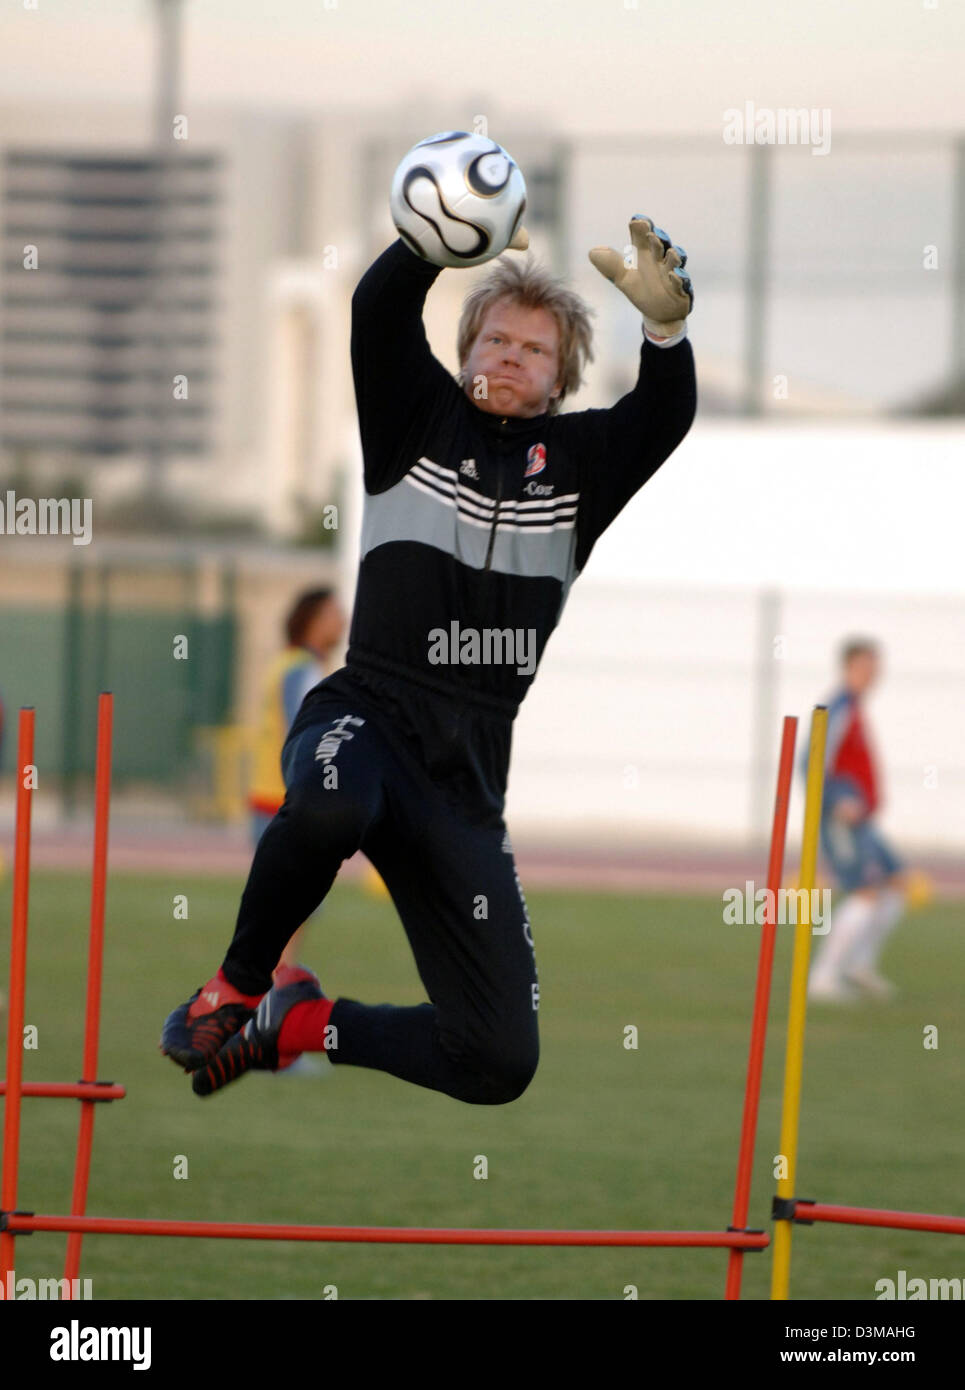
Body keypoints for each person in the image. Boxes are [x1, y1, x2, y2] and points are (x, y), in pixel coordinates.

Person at [161, 212, 697, 1102]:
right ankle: (238, 984)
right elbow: (376, 311)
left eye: (534, 347)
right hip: (368, 711)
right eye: (494, 337)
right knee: (331, 810)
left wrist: (666, 331)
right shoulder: (415, 417)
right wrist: (432, 241)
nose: (510, 354)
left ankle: (291, 1021)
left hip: (466, 775)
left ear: (559, 377)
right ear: (464, 349)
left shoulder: (580, 467)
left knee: (496, 1061)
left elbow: (662, 413)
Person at [248, 588, 345, 977]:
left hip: (272, 799)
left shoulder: (289, 664)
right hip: (284, 802)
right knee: (293, 902)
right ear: (314, 620)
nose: (343, 621)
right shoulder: (302, 669)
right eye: (336, 613)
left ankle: (275, 984)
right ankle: (276, 989)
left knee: (287, 904)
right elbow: (305, 737)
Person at [808, 639, 909, 1002]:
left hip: (863, 820)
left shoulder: (856, 708)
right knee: (865, 891)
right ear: (848, 667)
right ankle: (823, 977)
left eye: (876, 667)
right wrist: (838, 799)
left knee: (897, 882)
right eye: (866, 667)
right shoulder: (837, 708)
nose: (873, 675)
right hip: (842, 820)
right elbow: (811, 760)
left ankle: (858, 964)